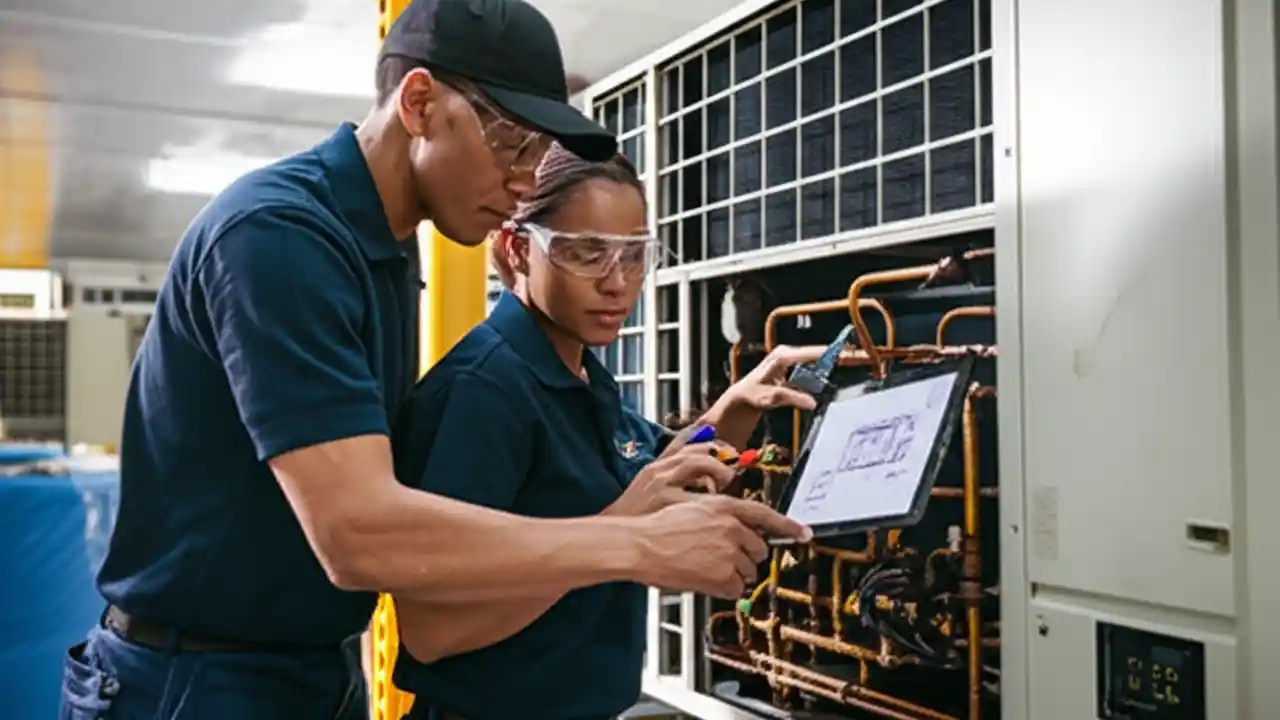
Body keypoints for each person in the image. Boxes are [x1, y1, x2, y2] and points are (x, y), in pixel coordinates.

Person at [58, 1, 812, 718]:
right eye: (511, 144)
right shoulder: (279, 238)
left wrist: (720, 422)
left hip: (312, 664)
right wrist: (633, 540)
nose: (524, 180)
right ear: (418, 103)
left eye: (537, 154)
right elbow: (357, 534)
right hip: (196, 679)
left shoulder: (386, 249)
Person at [388, 146, 821, 720]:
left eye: (635, 255)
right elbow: (431, 630)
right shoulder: (485, 392)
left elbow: (656, 471)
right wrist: (620, 531)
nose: (618, 284)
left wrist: (737, 404)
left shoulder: (578, 369)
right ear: (519, 249)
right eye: (587, 254)